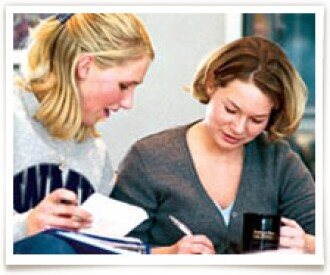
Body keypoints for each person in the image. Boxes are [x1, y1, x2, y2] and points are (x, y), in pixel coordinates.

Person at [111, 36, 315, 254]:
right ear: (211, 84)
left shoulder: (279, 162)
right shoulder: (148, 159)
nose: (238, 128)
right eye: (231, 110)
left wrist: (305, 243)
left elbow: (320, 237)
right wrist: (169, 254)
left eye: (256, 120)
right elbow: (113, 251)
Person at [13, 13, 154, 253]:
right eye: (124, 86)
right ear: (85, 67)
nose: (128, 102)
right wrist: (26, 225)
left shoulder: (95, 152)